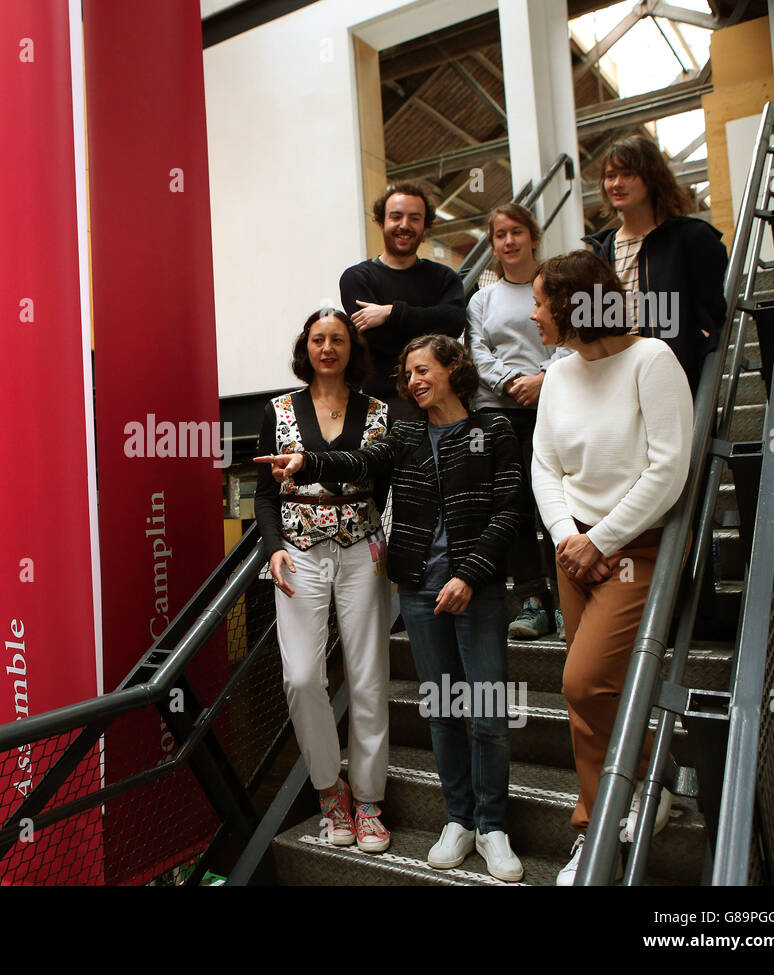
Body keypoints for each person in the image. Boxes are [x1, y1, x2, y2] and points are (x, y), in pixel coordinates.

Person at [258, 334, 527, 882]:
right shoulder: (403, 435)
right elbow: (358, 459)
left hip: (478, 589)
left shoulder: (492, 429)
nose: (414, 381)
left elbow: (510, 508)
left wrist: (470, 575)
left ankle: (493, 827)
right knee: (442, 710)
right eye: (408, 374)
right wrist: (306, 461)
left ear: (454, 368)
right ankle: (459, 819)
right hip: (421, 590)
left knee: (488, 711)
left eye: (424, 370)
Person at [528, 250, 692, 885]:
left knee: (584, 683)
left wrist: (604, 541)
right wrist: (570, 537)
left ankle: (649, 779)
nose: (534, 313)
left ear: (573, 306)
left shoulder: (651, 361)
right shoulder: (561, 372)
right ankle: (599, 827)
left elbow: (668, 469)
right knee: (588, 694)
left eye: (542, 302)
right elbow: (545, 466)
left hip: (633, 550)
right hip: (574, 552)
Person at [253, 307, 393, 854]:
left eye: (338, 339)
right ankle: (328, 792)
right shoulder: (278, 409)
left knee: (367, 678)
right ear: (305, 347)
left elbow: (376, 475)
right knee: (304, 676)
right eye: (318, 339)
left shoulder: (379, 410)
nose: (328, 348)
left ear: (352, 350)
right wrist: (273, 550)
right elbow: (265, 494)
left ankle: (367, 802)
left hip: (363, 550)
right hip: (300, 553)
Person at [464, 203, 571, 641]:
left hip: (552, 404)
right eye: (499, 235)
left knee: (555, 504)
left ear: (533, 236)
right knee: (513, 505)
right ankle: (532, 602)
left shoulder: (555, 287)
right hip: (498, 412)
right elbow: (477, 350)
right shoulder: (482, 298)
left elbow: (569, 339)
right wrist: (512, 382)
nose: (508, 241)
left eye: (516, 232)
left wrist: (544, 378)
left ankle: (568, 601)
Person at [583, 135, 727, 395]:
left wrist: (694, 352)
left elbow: (712, 312)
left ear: (651, 177)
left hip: (670, 370)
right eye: (610, 175)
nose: (616, 183)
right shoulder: (599, 250)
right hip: (614, 374)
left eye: (628, 174)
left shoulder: (689, 238)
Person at [339, 182, 467, 419]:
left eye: (414, 218)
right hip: (384, 407)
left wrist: (391, 313)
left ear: (425, 227)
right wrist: (429, 326)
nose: (405, 225)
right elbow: (377, 340)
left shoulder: (445, 277)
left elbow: (453, 322)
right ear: (381, 222)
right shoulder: (357, 278)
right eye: (396, 217)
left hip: (443, 403)